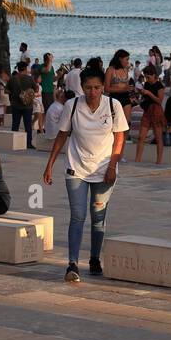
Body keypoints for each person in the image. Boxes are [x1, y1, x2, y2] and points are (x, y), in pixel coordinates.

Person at [43, 67, 127, 282]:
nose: (92, 92)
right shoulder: (72, 106)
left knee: (98, 218)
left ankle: (95, 258)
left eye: (97, 87)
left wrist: (112, 167)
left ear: (103, 87)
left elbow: (119, 139)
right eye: (88, 87)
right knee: (77, 216)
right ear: (81, 87)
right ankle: (72, 264)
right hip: (76, 169)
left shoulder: (113, 106)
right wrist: (50, 164)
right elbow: (62, 136)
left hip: (104, 170)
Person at [134, 64, 166, 164]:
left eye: (148, 77)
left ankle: (159, 161)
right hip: (147, 111)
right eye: (146, 77)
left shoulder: (159, 85)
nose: (147, 79)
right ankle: (137, 160)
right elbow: (145, 98)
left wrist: (149, 93)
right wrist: (141, 93)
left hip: (156, 111)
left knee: (158, 138)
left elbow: (159, 100)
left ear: (154, 75)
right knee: (141, 137)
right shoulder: (147, 84)